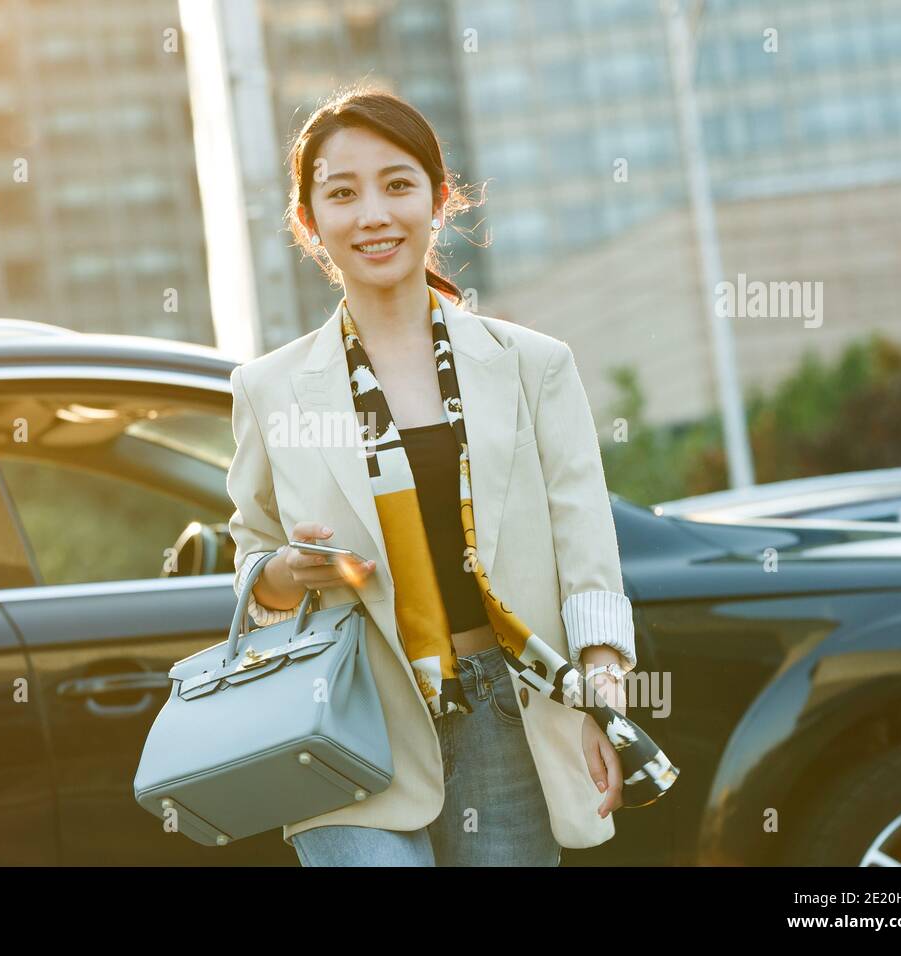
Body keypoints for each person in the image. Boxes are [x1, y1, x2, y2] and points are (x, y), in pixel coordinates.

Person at [225, 84, 636, 866]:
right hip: (346, 718)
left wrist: (601, 702)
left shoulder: (533, 366)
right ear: (310, 224)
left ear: (439, 201)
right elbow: (253, 566)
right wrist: (284, 571)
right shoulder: (267, 389)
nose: (373, 214)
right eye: (341, 194)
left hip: (511, 711)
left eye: (398, 184)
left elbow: (587, 553)